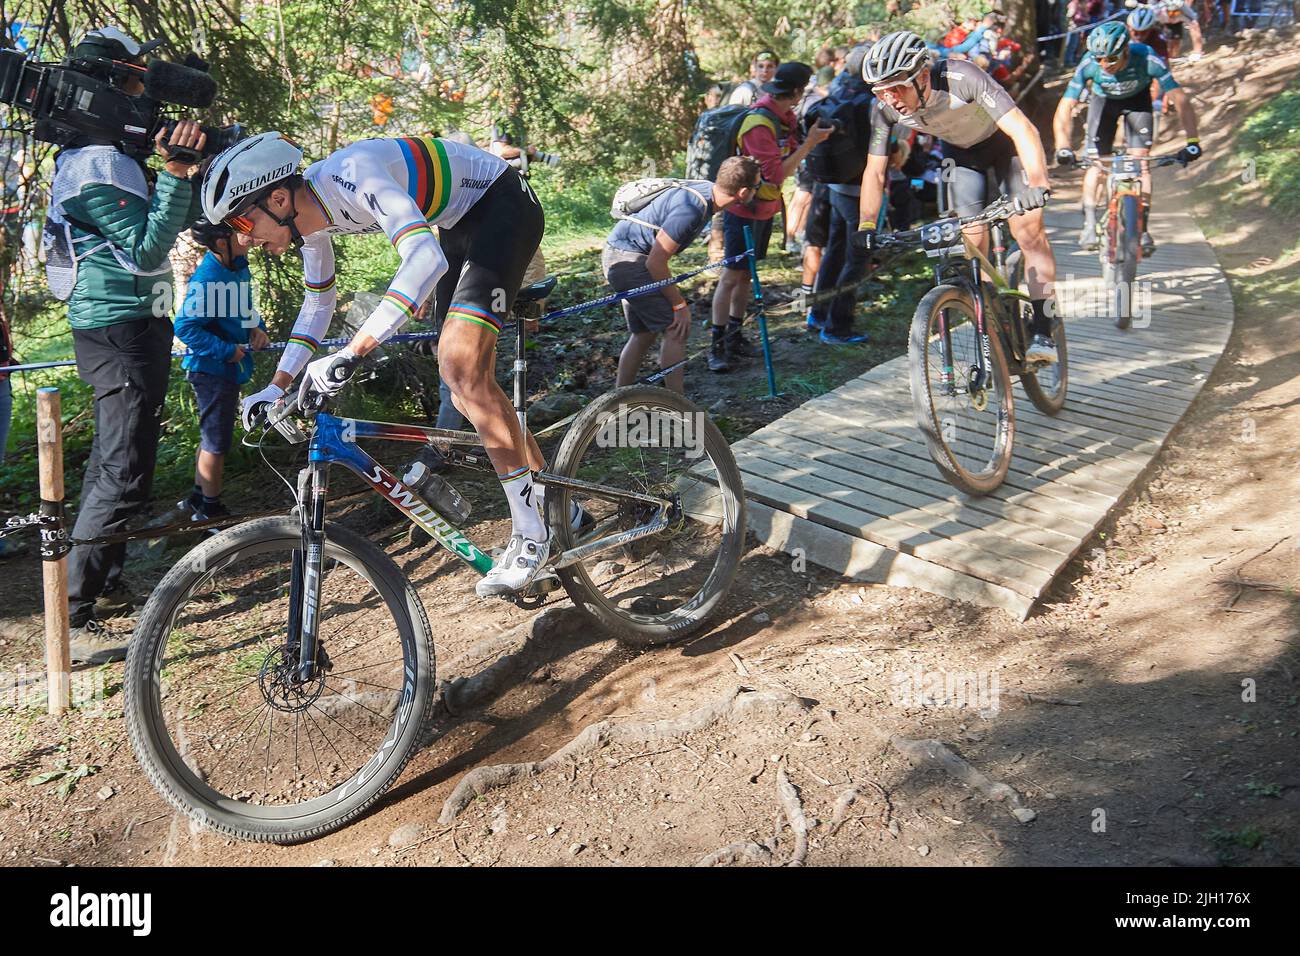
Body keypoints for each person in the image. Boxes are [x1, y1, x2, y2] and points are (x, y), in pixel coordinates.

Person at [205, 131, 561, 598]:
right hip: (459, 223)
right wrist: (278, 384)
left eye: (243, 224)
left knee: (461, 367)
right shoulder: (309, 221)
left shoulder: (351, 175)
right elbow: (318, 304)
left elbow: (423, 257)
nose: (242, 240)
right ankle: (560, 508)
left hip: (501, 205)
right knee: (462, 386)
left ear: (277, 198)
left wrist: (353, 351)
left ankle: (533, 533)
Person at [49, 27, 207, 663]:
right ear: (108, 85)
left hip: (136, 322)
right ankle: (73, 613)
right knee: (119, 465)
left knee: (129, 458)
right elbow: (145, 247)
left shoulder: (108, 157)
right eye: (137, 80)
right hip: (116, 326)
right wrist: (175, 174)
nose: (145, 95)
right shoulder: (92, 165)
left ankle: (106, 582)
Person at [857, 31, 1060, 365]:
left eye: (897, 88)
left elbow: (1023, 130)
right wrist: (867, 224)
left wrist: (1038, 184)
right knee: (970, 241)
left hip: (1004, 146)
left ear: (922, 76)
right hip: (963, 157)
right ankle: (992, 315)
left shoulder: (961, 77)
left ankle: (1043, 328)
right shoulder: (883, 111)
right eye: (881, 91)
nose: (889, 98)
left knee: (1029, 233)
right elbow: (875, 172)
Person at [709, 62, 833, 373]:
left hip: (763, 209)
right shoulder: (760, 125)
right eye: (802, 90)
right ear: (794, 92)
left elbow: (784, 157)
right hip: (743, 210)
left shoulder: (784, 117)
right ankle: (717, 344)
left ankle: (736, 334)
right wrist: (809, 144)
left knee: (746, 274)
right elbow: (776, 175)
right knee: (731, 275)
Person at [603, 157, 761, 391]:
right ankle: (679, 407)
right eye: (757, 186)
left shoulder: (708, 191)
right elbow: (656, 263)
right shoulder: (693, 210)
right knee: (676, 328)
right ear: (743, 191)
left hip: (623, 253)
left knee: (644, 333)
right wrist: (679, 304)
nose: (759, 191)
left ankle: (619, 397)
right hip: (627, 261)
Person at [1052, 21, 1201, 255]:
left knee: (1141, 165)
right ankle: (1089, 224)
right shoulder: (1089, 64)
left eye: (1111, 58)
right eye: (1098, 58)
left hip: (1137, 102)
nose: (1104, 64)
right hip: (1103, 103)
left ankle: (1142, 229)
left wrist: (1193, 141)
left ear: (1126, 51)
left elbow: (1180, 99)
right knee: (1097, 164)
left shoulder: (1146, 57)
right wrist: (1062, 146)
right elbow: (1065, 107)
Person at [172, 219, 269, 526]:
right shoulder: (208, 279)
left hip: (224, 369)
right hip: (211, 371)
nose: (251, 236)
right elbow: (185, 327)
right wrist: (226, 351)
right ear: (221, 241)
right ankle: (210, 512)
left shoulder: (237, 264)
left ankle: (199, 497)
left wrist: (256, 327)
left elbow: (243, 305)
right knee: (217, 442)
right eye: (242, 231)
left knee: (211, 436)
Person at [805, 44, 875, 343]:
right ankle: (837, 326)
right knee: (857, 255)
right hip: (860, 187)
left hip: (834, 184)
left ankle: (819, 313)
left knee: (835, 249)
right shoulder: (871, 101)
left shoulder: (838, 87)